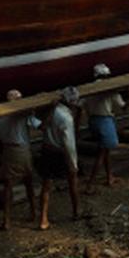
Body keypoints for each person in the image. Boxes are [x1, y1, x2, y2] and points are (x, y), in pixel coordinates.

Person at [0, 89, 39, 230]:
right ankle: (33, 212)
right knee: (28, 181)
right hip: (21, 150)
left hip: (8, 150)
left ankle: (6, 219)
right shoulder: (22, 115)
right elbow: (39, 125)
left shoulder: (1, 116)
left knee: (8, 185)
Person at [37, 86, 81, 230]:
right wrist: (73, 163)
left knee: (46, 186)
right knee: (72, 181)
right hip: (60, 152)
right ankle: (76, 212)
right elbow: (69, 144)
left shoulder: (51, 110)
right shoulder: (66, 118)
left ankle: (43, 219)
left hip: (47, 149)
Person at [83, 63, 128, 193]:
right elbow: (124, 107)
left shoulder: (88, 88)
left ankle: (109, 176)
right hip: (105, 121)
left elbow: (80, 105)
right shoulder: (110, 89)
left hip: (93, 121)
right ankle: (90, 184)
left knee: (105, 150)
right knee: (102, 153)